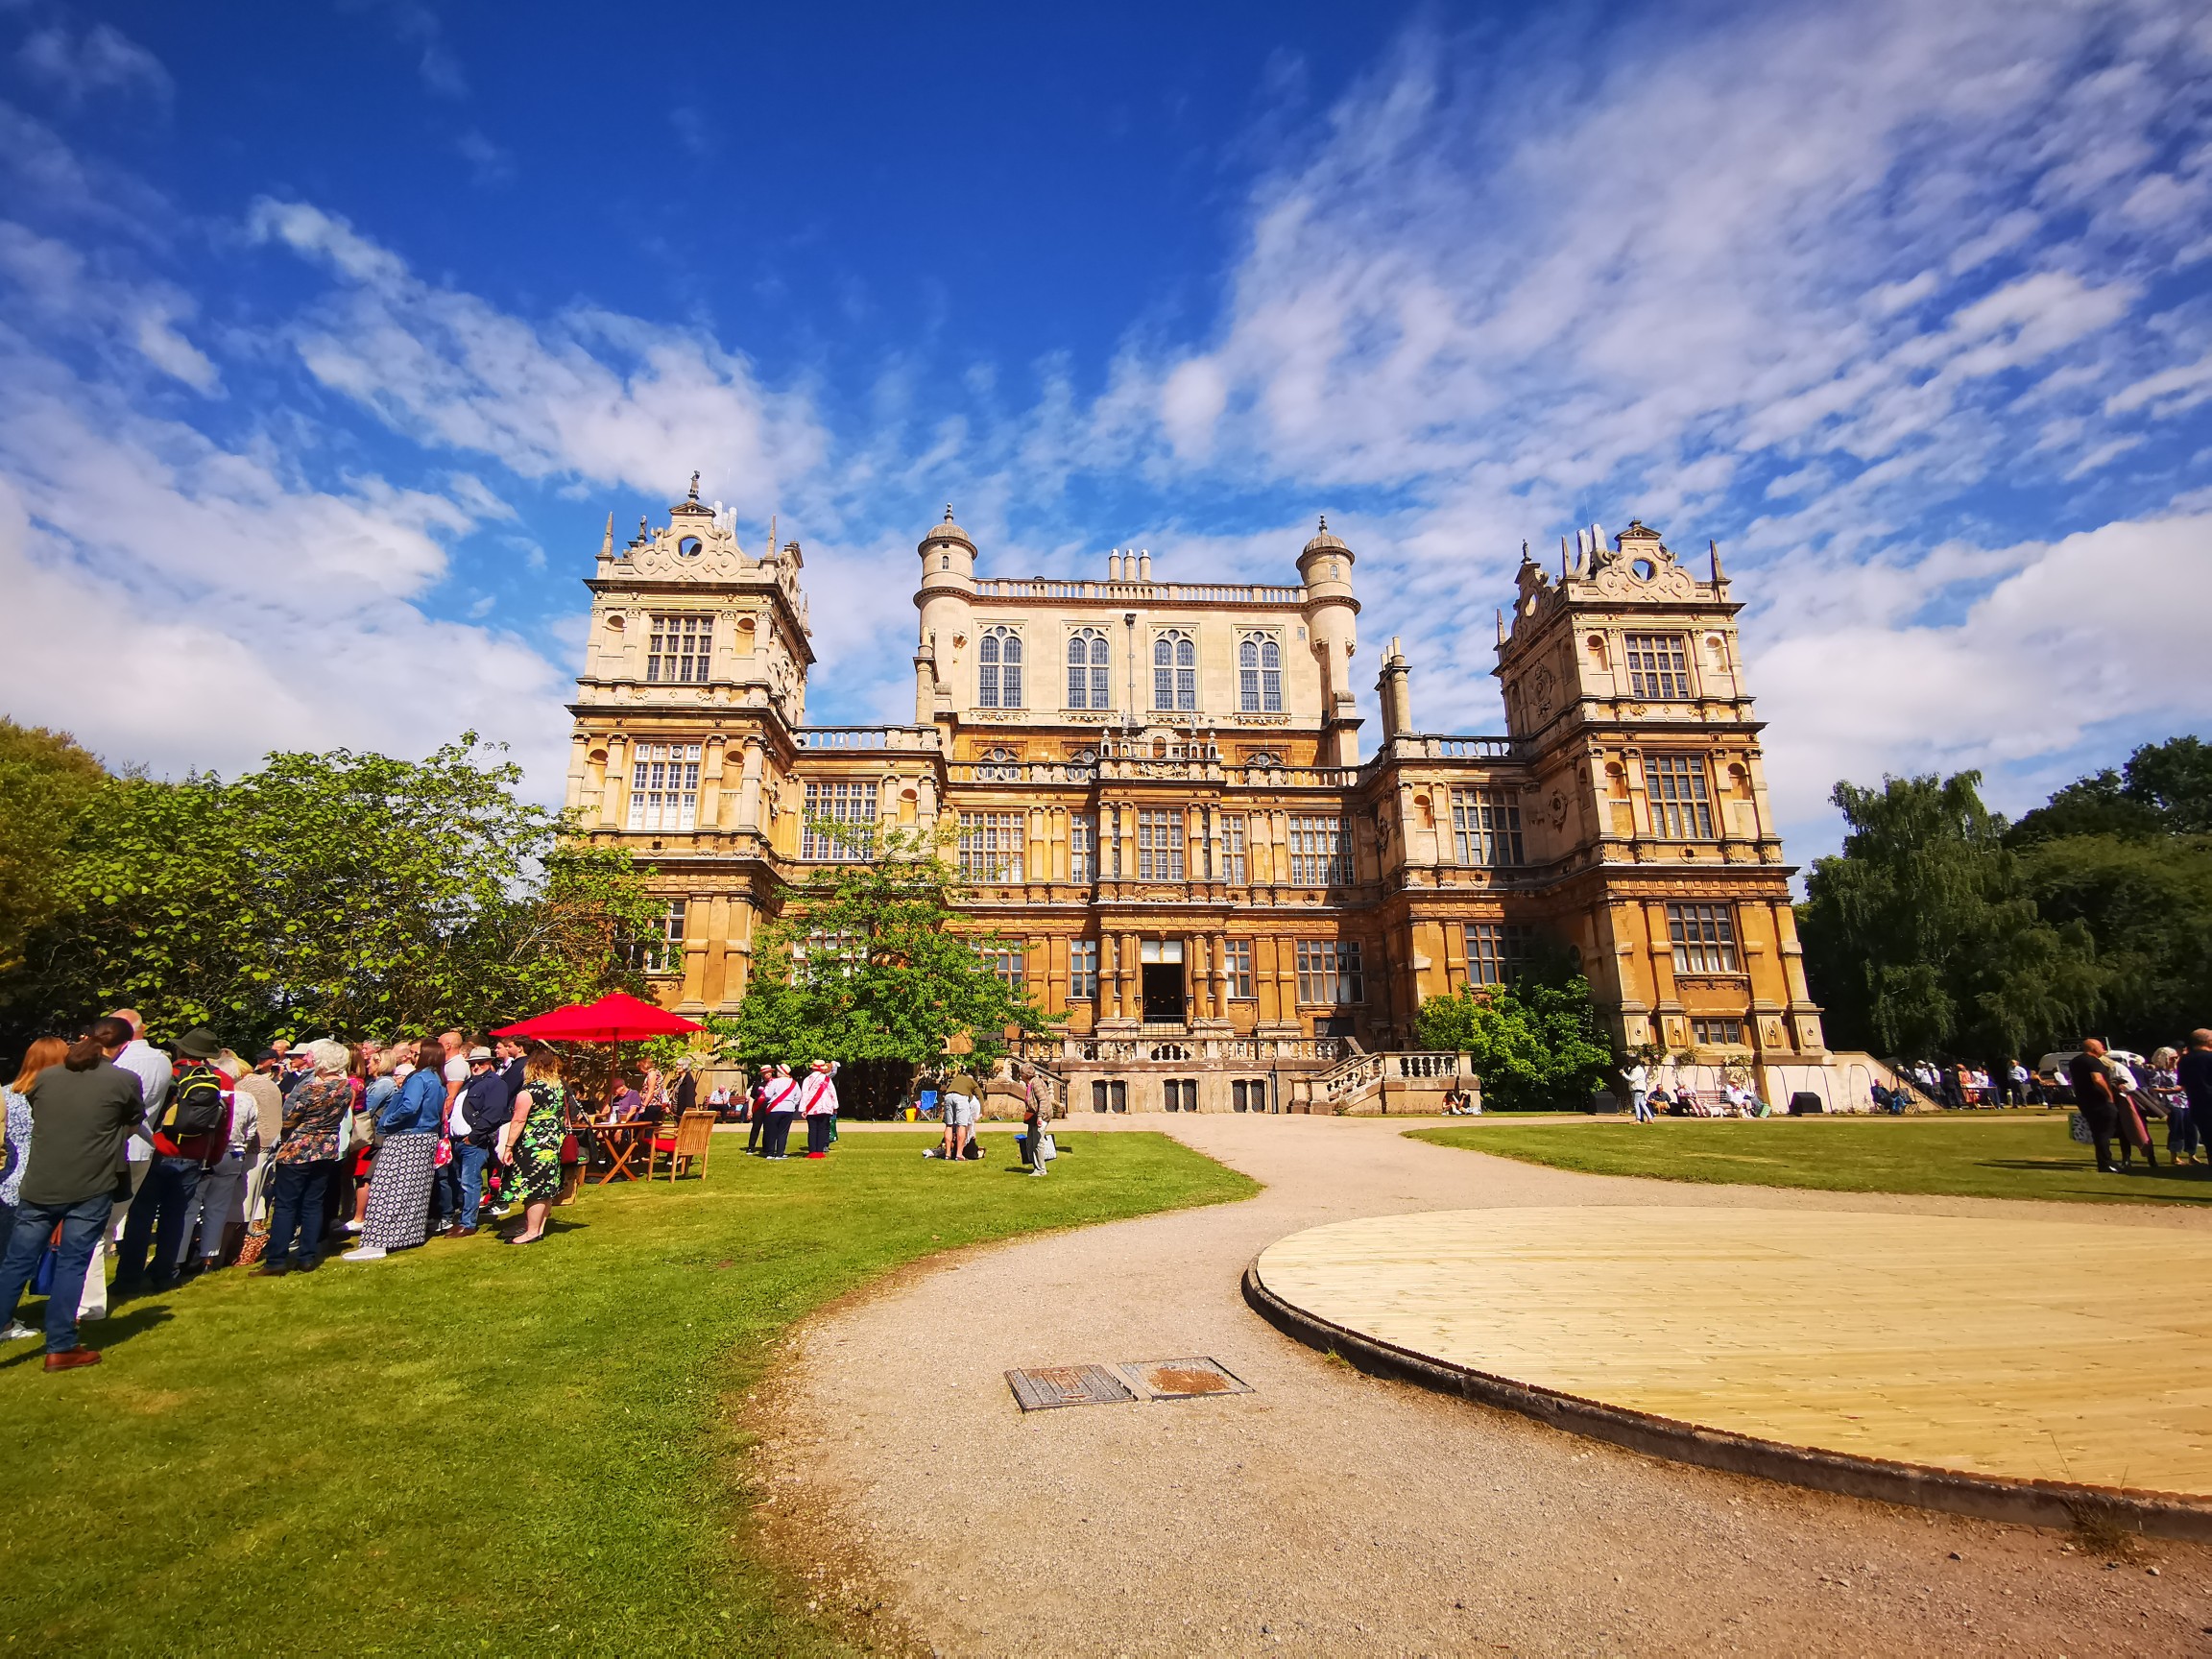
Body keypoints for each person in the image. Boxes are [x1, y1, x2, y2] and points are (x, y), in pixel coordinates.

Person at [0, 1016, 143, 1370]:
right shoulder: (124, 1080)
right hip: (91, 1185)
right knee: (72, 1265)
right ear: (123, 1046)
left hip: (42, 1182)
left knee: (16, 1263)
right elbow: (132, 1121)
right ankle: (61, 1345)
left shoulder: (46, 1078)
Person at [113, 1027, 231, 1298]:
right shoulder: (222, 1080)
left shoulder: (169, 1072)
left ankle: (128, 1278)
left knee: (141, 1217)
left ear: (182, 1049)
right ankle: (164, 1274)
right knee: (175, 1218)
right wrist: (211, 1157)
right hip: (194, 1155)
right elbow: (223, 1125)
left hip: (158, 1150)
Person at [345, 1040, 448, 1262]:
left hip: (406, 1137)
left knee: (387, 1190)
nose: (411, 1057)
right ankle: (404, 1236)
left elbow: (409, 1106)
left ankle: (377, 1242)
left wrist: (388, 1121)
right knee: (411, 1193)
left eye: (415, 1053)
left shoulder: (419, 1078)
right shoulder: (438, 1080)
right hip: (426, 1138)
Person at [256, 1039, 351, 1276]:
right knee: (313, 1203)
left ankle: (276, 1259)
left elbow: (288, 1118)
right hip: (327, 1148)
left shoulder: (311, 1089)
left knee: (286, 1204)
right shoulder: (346, 1088)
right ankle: (307, 1256)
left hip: (299, 1149)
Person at [0, 1037, 67, 1339]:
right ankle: (4, 1322)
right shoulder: (53, 1100)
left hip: (5, 1182)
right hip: (36, 1184)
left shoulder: (4, 1095)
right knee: (16, 1260)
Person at [169, 1049, 256, 1275]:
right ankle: (209, 1258)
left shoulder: (207, 1093)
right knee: (217, 1209)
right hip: (233, 1155)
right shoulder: (246, 1098)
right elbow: (250, 1132)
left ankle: (177, 1258)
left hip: (207, 1152)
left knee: (190, 1207)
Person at [496, 1049, 565, 1245]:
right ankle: (539, 1228)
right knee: (545, 1187)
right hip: (552, 1144)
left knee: (534, 1189)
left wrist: (508, 1146)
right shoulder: (558, 1088)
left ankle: (532, 1231)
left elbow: (518, 1120)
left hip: (532, 1146)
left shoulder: (528, 1092)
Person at [445, 1046, 508, 1238]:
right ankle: (462, 1218)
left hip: (474, 1142)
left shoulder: (495, 1083)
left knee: (470, 1182)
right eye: (473, 1063)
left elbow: (493, 1114)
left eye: (481, 1062)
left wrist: (474, 1137)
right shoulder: (469, 1083)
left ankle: (468, 1223)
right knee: (458, 1182)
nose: (477, 1066)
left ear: (490, 1063)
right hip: (458, 1140)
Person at [234, 1050, 285, 1235]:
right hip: (269, 1142)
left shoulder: (247, 1085)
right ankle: (254, 1231)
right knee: (258, 1192)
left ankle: (242, 1237)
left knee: (245, 1193)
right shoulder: (267, 1084)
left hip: (254, 1144)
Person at [2067, 1041, 2126, 1175]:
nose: (2103, 1049)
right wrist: (2109, 1095)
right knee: (2105, 1132)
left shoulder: (2075, 1061)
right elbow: (2097, 1079)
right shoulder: (2093, 1061)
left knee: (2098, 1131)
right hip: (2099, 1101)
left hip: (2085, 1100)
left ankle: (2104, 1162)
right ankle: (2106, 1163)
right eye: (2101, 1046)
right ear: (2093, 1048)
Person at [939, 1067, 981, 1163]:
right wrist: (981, 1112)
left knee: (949, 1125)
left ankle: (947, 1154)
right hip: (961, 1097)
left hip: (948, 1096)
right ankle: (959, 1154)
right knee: (961, 1125)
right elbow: (980, 1096)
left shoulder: (957, 1079)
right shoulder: (972, 1082)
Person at [757, 1064, 800, 1160]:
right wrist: (792, 1104)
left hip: (774, 1108)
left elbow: (768, 1095)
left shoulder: (774, 1082)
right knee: (783, 1132)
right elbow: (798, 1097)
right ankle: (780, 1153)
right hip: (788, 1109)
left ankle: (770, 1153)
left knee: (772, 1131)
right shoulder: (794, 1083)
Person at [799, 1059, 839, 1159]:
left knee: (812, 1129)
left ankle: (812, 1151)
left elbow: (804, 1094)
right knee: (822, 1129)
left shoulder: (807, 1079)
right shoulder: (827, 1079)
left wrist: (803, 1108)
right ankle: (820, 1151)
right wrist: (835, 1106)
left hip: (811, 1108)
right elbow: (832, 1093)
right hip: (825, 1108)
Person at [1623, 1059, 1652, 1124]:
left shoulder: (1636, 1070)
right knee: (1642, 1104)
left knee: (1636, 1104)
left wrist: (1623, 1074)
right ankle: (1650, 1118)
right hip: (1641, 1089)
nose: (1630, 1063)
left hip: (1637, 1089)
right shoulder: (1641, 1069)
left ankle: (1638, 1119)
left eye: (1631, 1062)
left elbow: (1631, 1079)